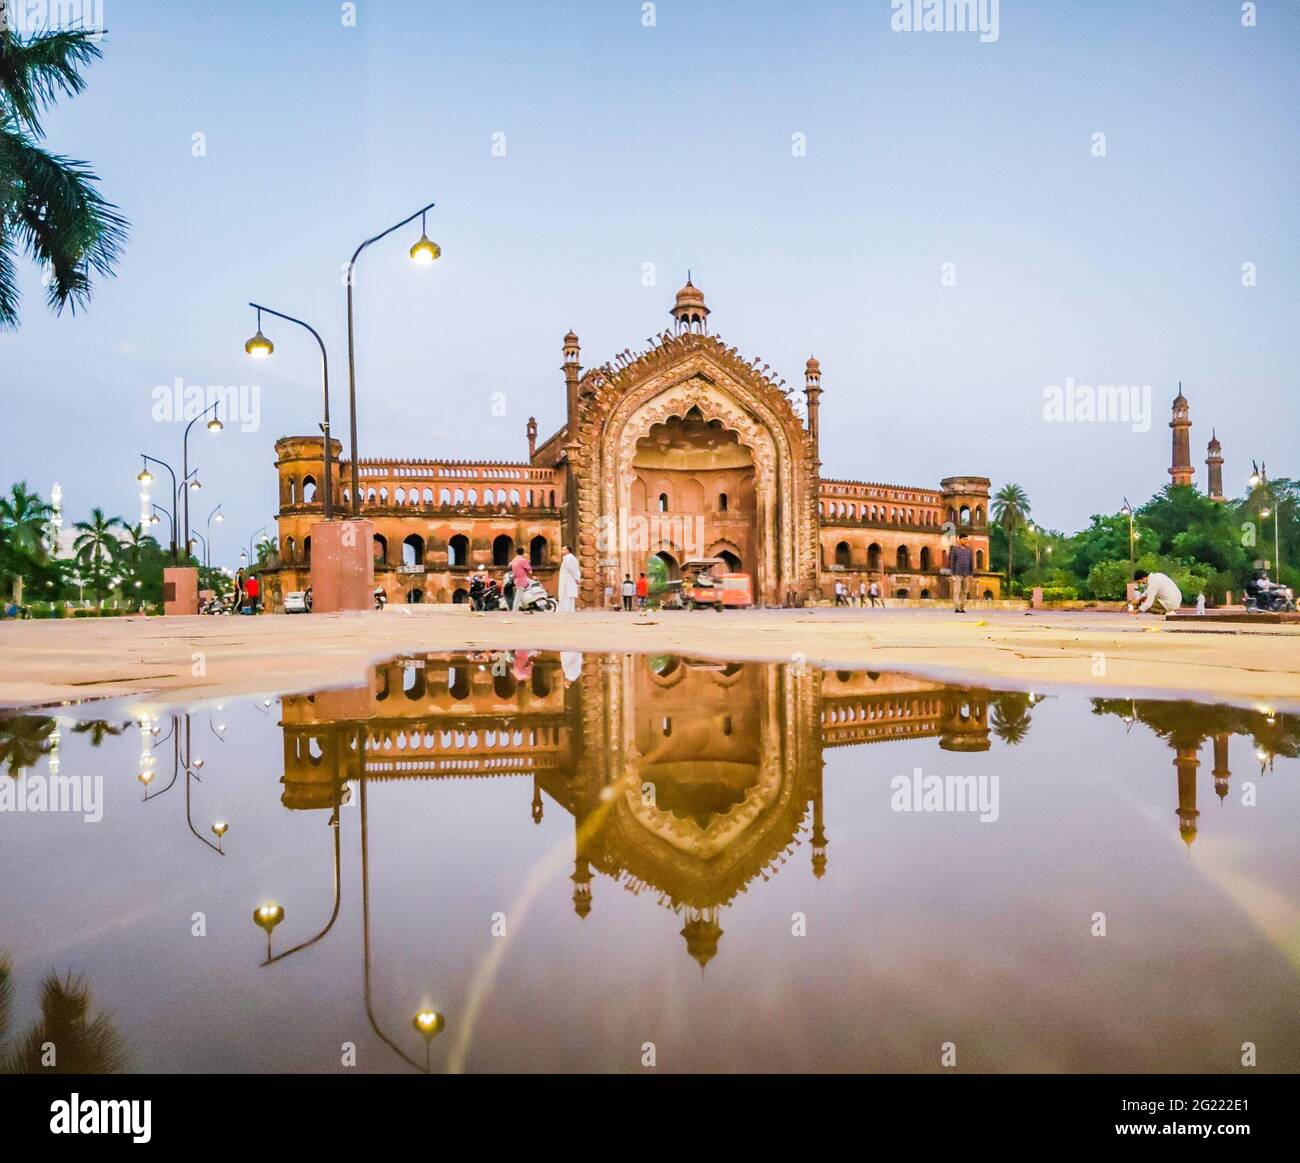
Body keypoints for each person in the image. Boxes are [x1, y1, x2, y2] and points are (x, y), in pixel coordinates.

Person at [948, 533, 973, 613]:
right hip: (957, 573)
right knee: (957, 591)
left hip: (966, 573)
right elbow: (952, 562)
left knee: (965, 592)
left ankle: (962, 607)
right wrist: (952, 575)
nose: (966, 540)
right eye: (964, 539)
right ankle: (957, 607)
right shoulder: (955, 549)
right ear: (959, 539)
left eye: (966, 539)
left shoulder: (969, 550)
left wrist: (971, 574)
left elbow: (971, 562)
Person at [558, 546, 580, 613]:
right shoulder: (571, 557)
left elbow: (571, 569)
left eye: (563, 550)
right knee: (568, 596)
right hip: (569, 580)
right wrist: (576, 577)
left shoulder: (568, 558)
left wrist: (576, 578)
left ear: (568, 550)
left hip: (567, 580)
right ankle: (568, 611)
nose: (562, 551)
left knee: (565, 595)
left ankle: (565, 611)